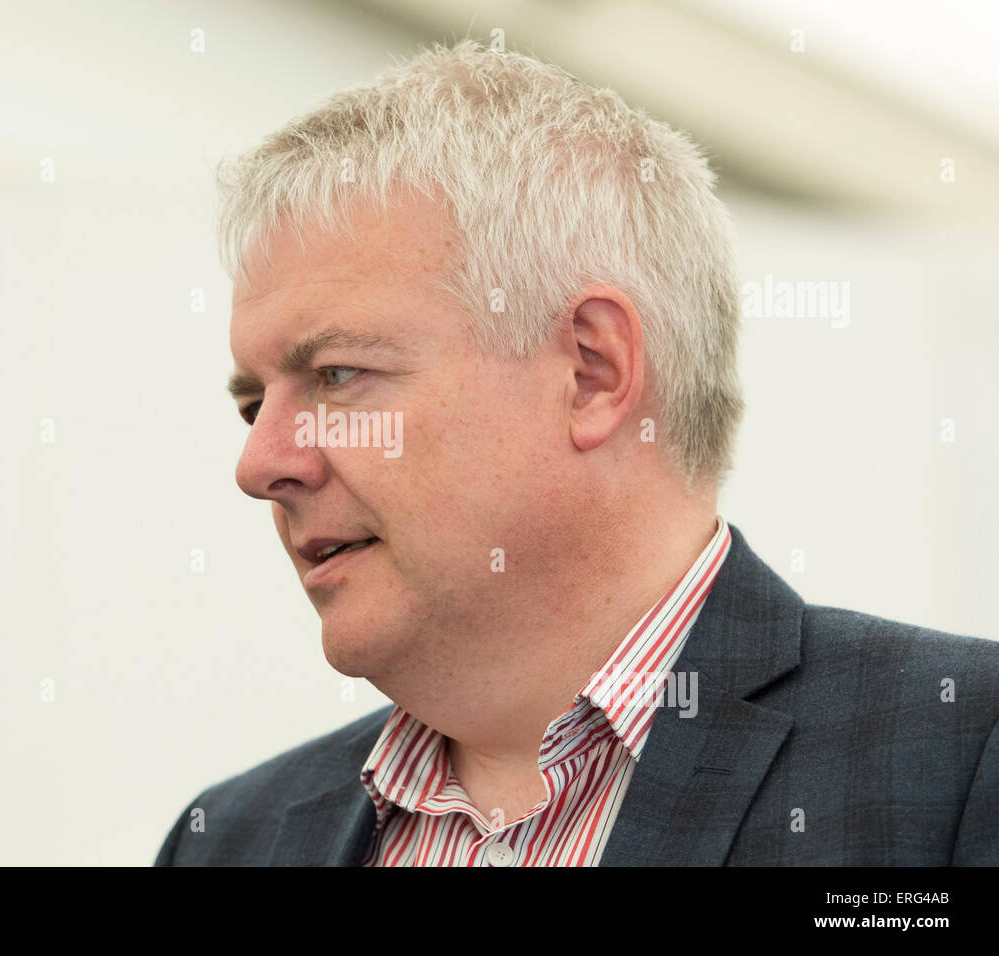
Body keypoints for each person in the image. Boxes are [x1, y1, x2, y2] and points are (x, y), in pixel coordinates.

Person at [155, 40, 999, 866]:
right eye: (253, 404)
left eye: (338, 375)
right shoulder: (230, 839)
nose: (260, 465)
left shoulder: (960, 761)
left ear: (592, 372)